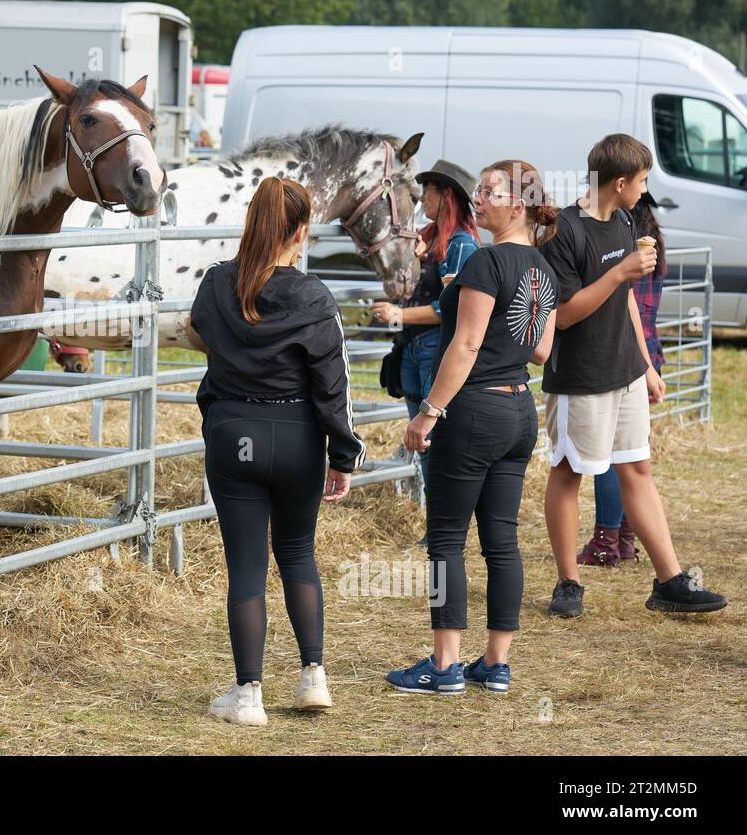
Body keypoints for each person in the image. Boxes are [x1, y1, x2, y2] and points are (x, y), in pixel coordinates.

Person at [187, 176, 365, 726]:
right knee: (297, 554)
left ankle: (248, 697)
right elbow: (332, 384)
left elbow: (198, 333)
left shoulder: (217, 283)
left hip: (231, 429)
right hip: (296, 434)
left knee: (245, 566)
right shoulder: (314, 296)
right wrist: (343, 456)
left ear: (252, 223)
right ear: (302, 231)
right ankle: (313, 676)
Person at [387, 160, 559, 696]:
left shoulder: (485, 263)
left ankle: (444, 667)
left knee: (445, 540)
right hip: (518, 412)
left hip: (472, 412)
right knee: (502, 540)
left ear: (519, 204)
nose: (478, 200)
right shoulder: (543, 268)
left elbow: (464, 344)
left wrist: (428, 411)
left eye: (488, 192)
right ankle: (495, 664)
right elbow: (541, 350)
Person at [539, 134, 726, 618]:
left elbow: (625, 303)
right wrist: (621, 271)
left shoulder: (622, 220)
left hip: (624, 372)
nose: (644, 192)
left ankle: (670, 582)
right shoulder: (564, 230)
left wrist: (645, 365)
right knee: (568, 473)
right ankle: (568, 583)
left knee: (638, 468)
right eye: (641, 182)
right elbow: (562, 315)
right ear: (619, 182)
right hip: (580, 377)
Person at [371, 160, 481, 492]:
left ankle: (441, 522)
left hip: (435, 348)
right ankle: (434, 518)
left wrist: (399, 315)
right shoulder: (427, 239)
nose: (421, 199)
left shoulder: (462, 244)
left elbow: (449, 307)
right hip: (415, 348)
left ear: (445, 194)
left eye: (428, 192)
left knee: (435, 439)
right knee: (422, 440)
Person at [578, 190, 665, 566]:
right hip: (649, 354)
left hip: (625, 354)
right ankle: (627, 538)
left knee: (614, 457)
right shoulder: (654, 249)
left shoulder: (625, 250)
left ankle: (607, 540)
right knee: (633, 454)